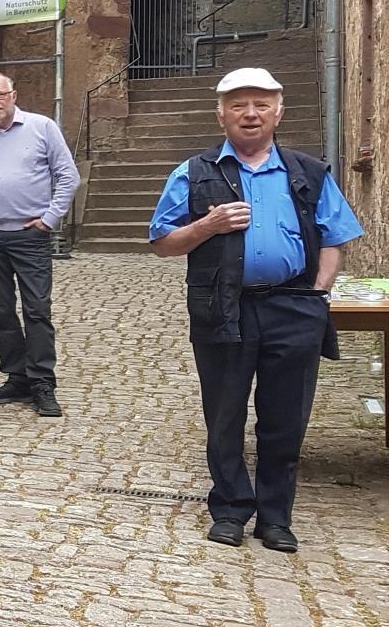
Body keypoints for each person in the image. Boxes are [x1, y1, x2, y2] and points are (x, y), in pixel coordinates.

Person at [148, 67, 362, 552]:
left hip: (294, 307)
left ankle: (275, 517)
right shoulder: (193, 172)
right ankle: (228, 508)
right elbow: (163, 242)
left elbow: (335, 236)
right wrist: (207, 226)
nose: (251, 114)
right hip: (223, 309)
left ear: (278, 112)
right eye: (239, 105)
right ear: (220, 114)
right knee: (224, 415)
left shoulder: (307, 172)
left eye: (261, 104)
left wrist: (319, 292)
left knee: (285, 418)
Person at [0, 71, 79, 418]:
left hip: (30, 236)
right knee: (2, 309)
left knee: (37, 309)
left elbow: (68, 175)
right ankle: (17, 375)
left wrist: (50, 219)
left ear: (13, 94)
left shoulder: (42, 128)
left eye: (0, 94)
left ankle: (42, 381)